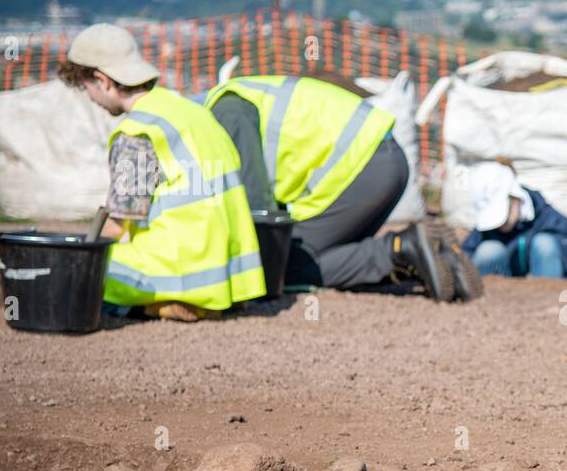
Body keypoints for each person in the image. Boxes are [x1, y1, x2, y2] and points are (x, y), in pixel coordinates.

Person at [204, 73, 478, 303]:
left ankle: (398, 250)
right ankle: (424, 258)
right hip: (388, 157)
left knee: (287, 265)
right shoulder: (240, 95)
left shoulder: (225, 112)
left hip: (359, 167)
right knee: (330, 249)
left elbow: (258, 210)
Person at [57, 23, 265, 321]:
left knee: (79, 273)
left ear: (102, 80)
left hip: (184, 272)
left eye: (86, 87)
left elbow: (118, 223)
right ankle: (204, 302)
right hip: (230, 275)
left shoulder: (138, 132)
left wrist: (79, 259)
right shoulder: (192, 111)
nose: (90, 97)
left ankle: (161, 303)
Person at [460, 162, 567, 280]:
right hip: (505, 297)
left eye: (504, 213)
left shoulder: (548, 219)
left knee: (545, 243)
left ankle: (548, 297)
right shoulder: (487, 230)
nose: (500, 225)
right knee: (489, 250)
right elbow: (466, 255)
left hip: (545, 293)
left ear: (517, 198)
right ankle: (484, 301)